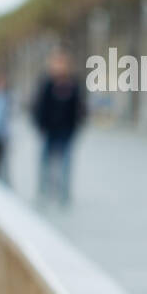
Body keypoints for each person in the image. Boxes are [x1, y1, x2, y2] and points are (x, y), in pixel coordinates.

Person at [31, 46, 87, 205]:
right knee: (45, 162)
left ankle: (63, 194)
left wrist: (78, 125)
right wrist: (40, 125)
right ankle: (44, 191)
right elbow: (39, 106)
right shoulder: (47, 83)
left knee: (65, 163)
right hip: (48, 130)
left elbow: (79, 107)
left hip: (67, 130)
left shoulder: (73, 83)